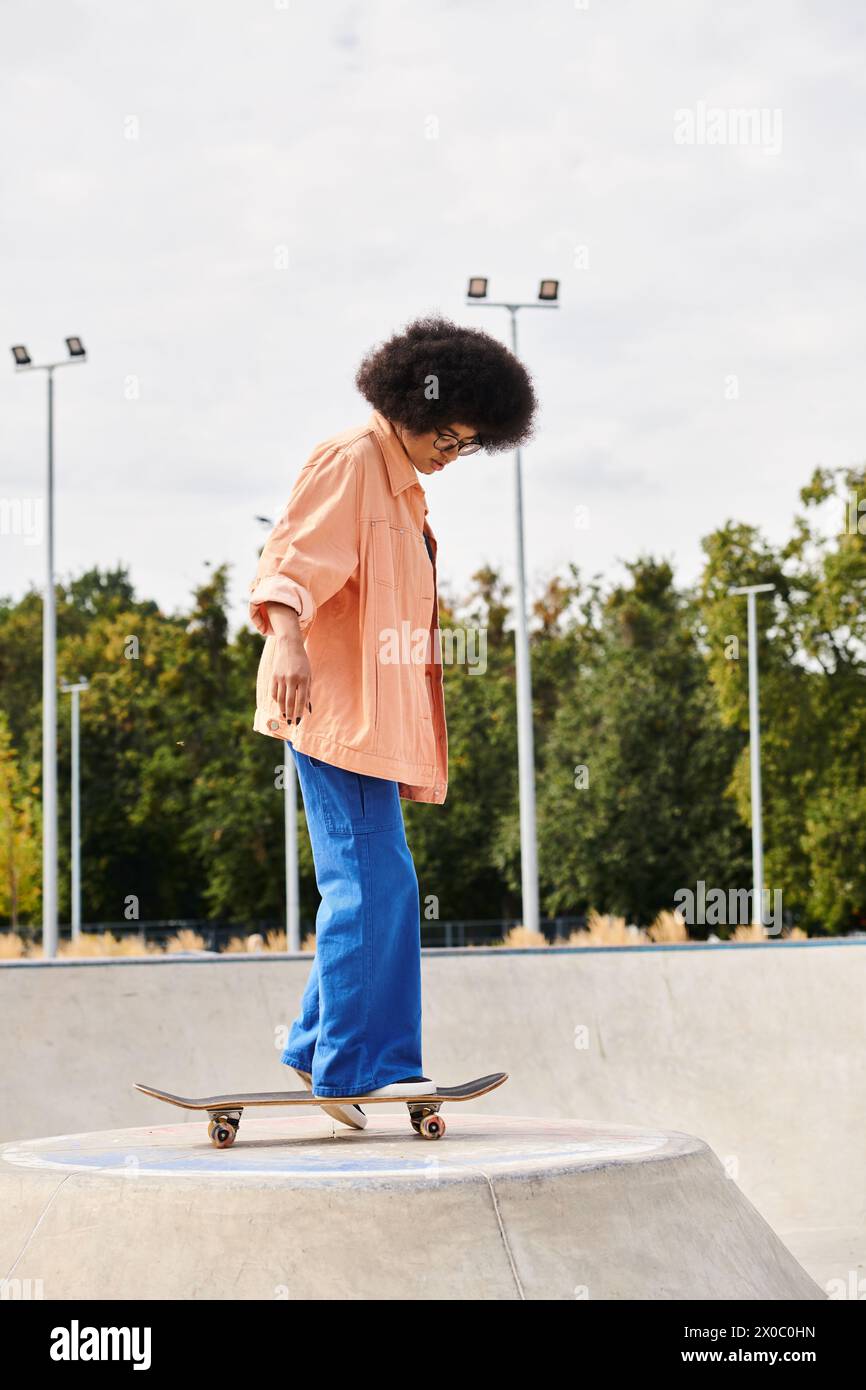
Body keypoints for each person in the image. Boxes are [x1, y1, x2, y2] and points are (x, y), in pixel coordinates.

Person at [248, 315, 536, 1127]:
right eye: (446, 434)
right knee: (374, 884)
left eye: (469, 443)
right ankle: (358, 1067)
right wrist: (290, 643)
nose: (453, 453)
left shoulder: (406, 493)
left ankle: (314, 1048)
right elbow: (290, 562)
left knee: (376, 883)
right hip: (335, 711)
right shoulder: (352, 463)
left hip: (375, 720)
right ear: (405, 407)